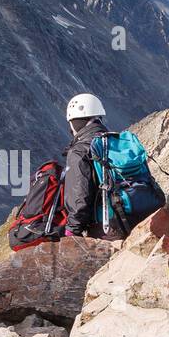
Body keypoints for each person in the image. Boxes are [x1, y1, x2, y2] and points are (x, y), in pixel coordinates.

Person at [61, 92, 122, 239]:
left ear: (75, 121)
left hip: (107, 227)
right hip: (134, 215)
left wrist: (72, 230)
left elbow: (80, 196)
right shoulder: (116, 140)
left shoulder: (79, 151)